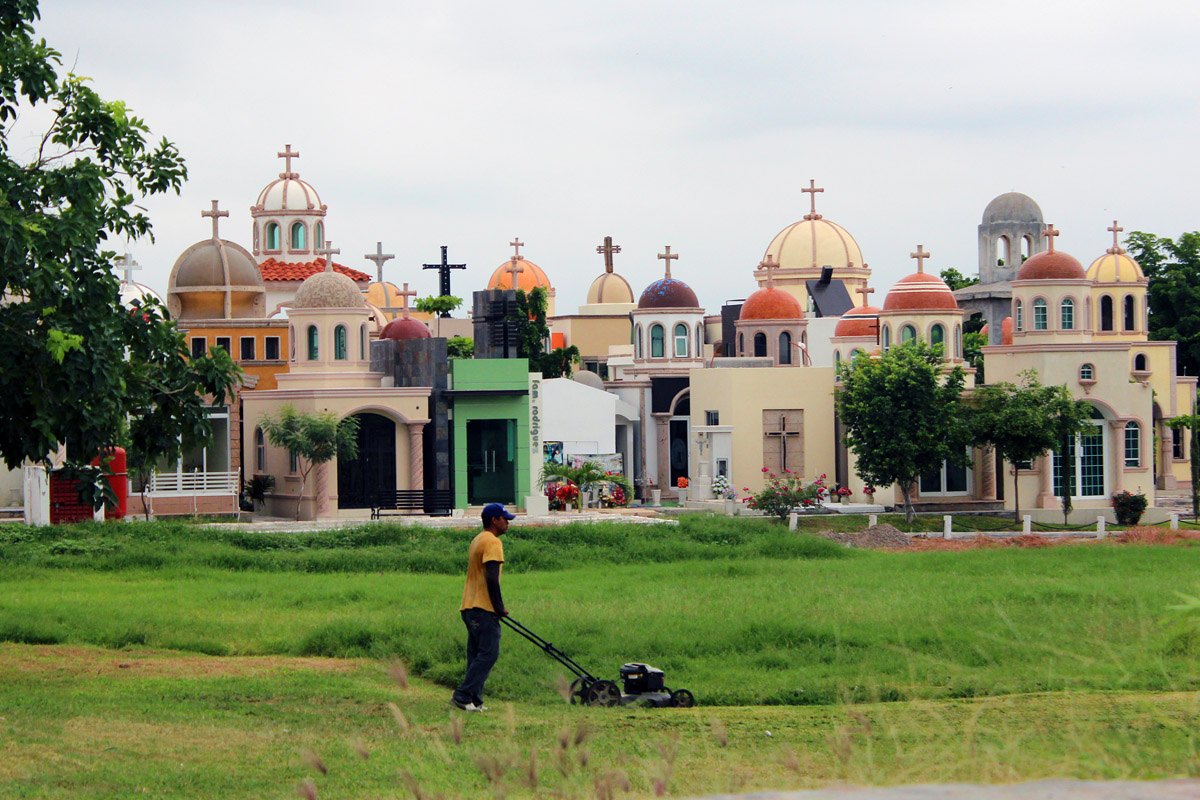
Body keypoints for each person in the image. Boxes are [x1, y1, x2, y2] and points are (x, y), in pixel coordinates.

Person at [451, 502, 515, 712]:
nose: (507, 523)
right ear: (494, 520)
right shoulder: (493, 542)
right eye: (504, 519)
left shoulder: (478, 539)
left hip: (468, 606)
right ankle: (462, 695)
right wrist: (499, 607)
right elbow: (492, 578)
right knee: (489, 654)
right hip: (483, 607)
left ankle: (475, 700)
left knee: (476, 654)